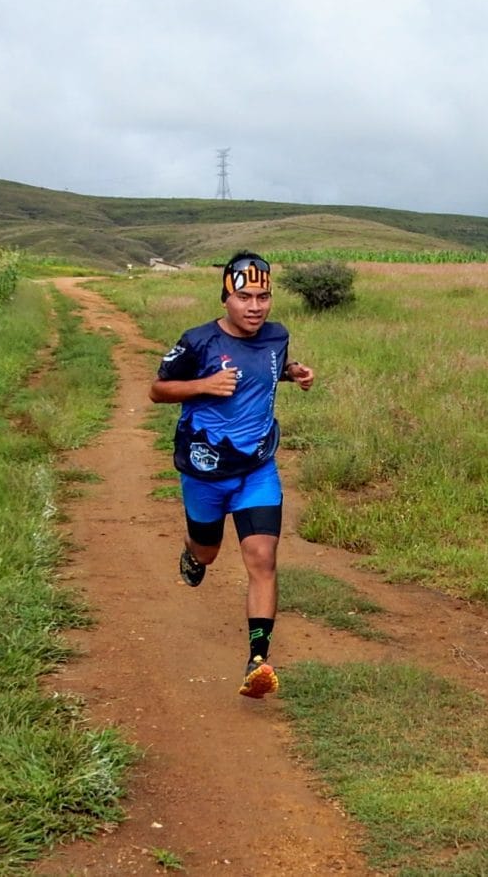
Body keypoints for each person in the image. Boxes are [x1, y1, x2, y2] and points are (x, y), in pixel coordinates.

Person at [149, 251, 315, 698]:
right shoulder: (198, 342)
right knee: (207, 553)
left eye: (263, 296)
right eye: (244, 297)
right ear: (226, 297)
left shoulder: (277, 337)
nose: (255, 306)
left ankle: (257, 660)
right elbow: (158, 389)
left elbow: (267, 368)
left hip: (258, 467)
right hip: (204, 471)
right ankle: (191, 550)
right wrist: (203, 385)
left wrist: (293, 373)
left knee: (263, 559)